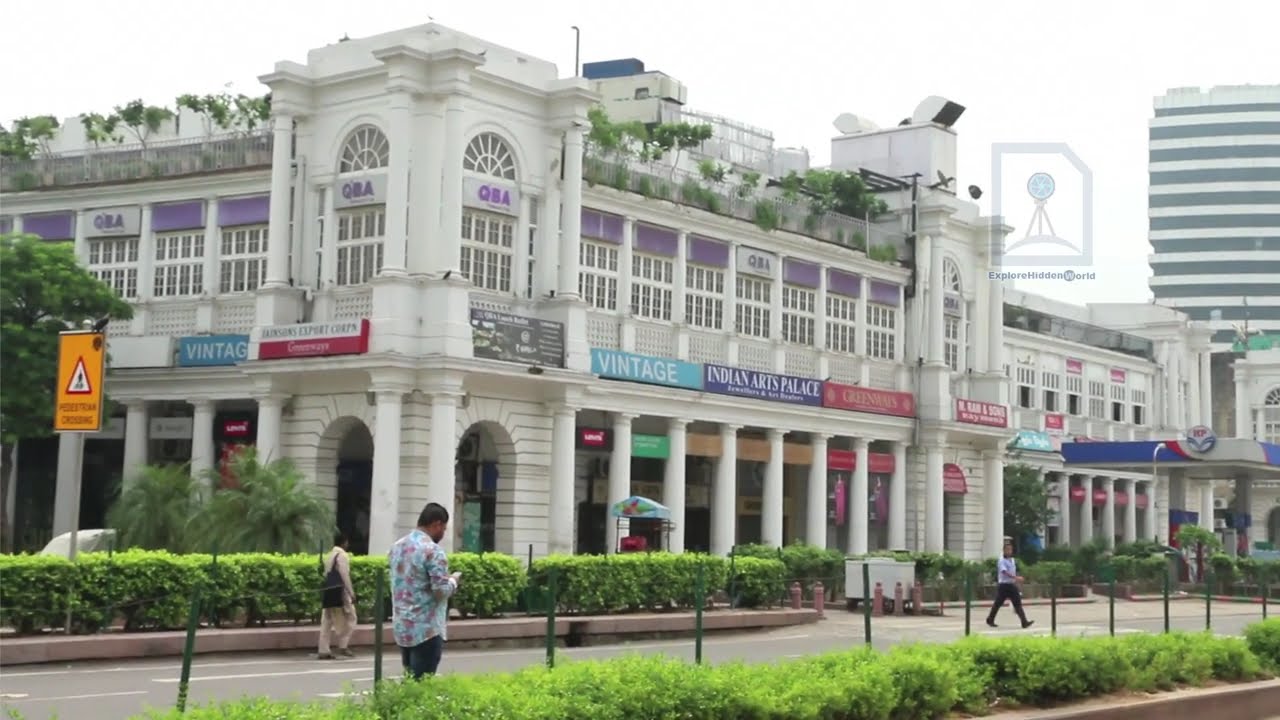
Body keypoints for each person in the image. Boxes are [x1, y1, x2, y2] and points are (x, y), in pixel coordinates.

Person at [389, 502, 461, 679]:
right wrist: (453, 581)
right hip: (426, 630)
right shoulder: (433, 551)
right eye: (443, 529)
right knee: (422, 684)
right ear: (436, 524)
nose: (443, 534)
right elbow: (440, 591)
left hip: (402, 626)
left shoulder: (397, 546)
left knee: (411, 681)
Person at [318, 531, 356, 659]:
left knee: (327, 620)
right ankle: (343, 646)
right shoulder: (342, 555)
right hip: (340, 592)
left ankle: (323, 649)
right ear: (344, 542)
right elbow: (344, 575)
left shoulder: (330, 555)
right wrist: (351, 593)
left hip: (329, 590)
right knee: (351, 617)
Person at [986, 541, 1034, 629]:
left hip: (1011, 585)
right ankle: (990, 619)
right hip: (1004, 585)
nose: (1009, 551)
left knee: (1017, 603)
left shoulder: (1012, 560)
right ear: (1004, 550)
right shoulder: (1002, 561)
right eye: (1007, 549)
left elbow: (1013, 571)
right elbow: (1004, 572)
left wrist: (1016, 581)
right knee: (998, 603)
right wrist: (1016, 577)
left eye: (1010, 549)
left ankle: (1024, 622)